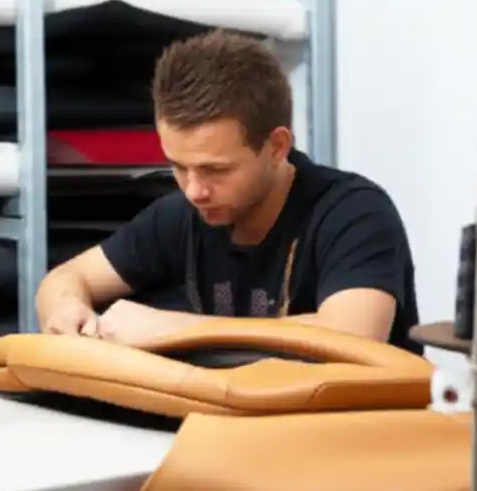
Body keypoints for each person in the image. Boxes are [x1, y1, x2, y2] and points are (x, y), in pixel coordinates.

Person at [34, 29, 421, 352]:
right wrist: (67, 310)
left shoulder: (354, 214)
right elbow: (66, 278)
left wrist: (174, 329)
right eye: (178, 167)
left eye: (215, 170)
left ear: (277, 147)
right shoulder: (183, 215)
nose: (194, 190)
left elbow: (354, 333)